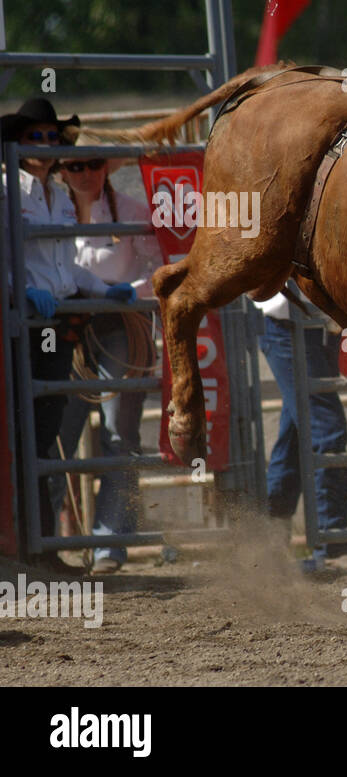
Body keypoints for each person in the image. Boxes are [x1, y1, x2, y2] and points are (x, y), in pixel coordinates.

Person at [2, 98, 135, 573]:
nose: (43, 145)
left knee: (46, 425)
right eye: (33, 137)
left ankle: (41, 546)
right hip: (25, 323)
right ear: (16, 142)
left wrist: (104, 290)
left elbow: (70, 265)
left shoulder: (57, 198)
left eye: (50, 137)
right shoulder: (5, 191)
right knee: (29, 428)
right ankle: (29, 545)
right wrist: (24, 293)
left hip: (53, 323)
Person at [47, 136, 164, 574]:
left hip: (121, 325)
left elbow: (158, 267)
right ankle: (51, 541)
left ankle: (109, 545)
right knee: (59, 434)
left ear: (105, 168)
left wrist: (128, 295)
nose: (85, 173)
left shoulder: (133, 211)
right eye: (76, 167)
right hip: (70, 328)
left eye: (93, 165)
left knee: (119, 433)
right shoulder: (53, 214)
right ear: (63, 172)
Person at [254, 288, 347, 571]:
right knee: (326, 428)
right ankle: (333, 544)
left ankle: (271, 544)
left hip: (314, 326)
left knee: (296, 433)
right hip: (290, 323)